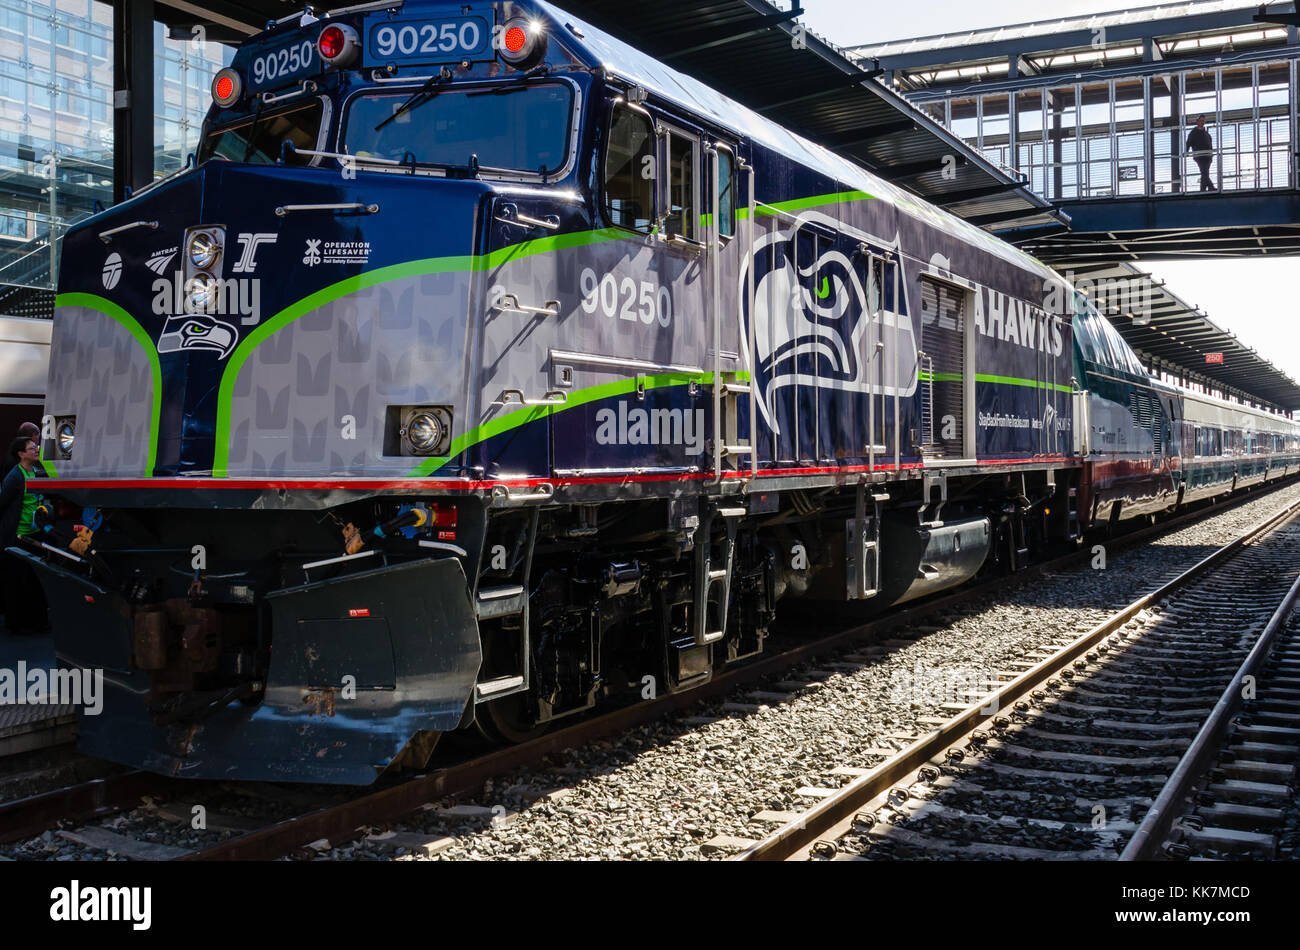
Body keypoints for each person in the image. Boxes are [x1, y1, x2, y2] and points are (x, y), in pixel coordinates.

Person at [0, 435, 48, 634]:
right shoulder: (15, 476)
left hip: (35, 534)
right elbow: (3, 504)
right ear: (21, 454)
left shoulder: (38, 470)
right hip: (17, 536)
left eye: (36, 447)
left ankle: (37, 621)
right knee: (18, 581)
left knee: (34, 580)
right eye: (31, 448)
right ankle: (18, 623)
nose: (36, 450)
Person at [1186, 116, 1217, 192]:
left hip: (1207, 156)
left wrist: (1211, 154)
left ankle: (1203, 189)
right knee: (1204, 172)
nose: (1202, 122)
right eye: (1201, 121)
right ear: (1197, 122)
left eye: (1203, 121)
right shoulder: (1193, 133)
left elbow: (1210, 143)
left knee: (1204, 172)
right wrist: (1186, 151)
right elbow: (1188, 143)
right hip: (1199, 156)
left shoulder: (1206, 133)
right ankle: (1210, 186)